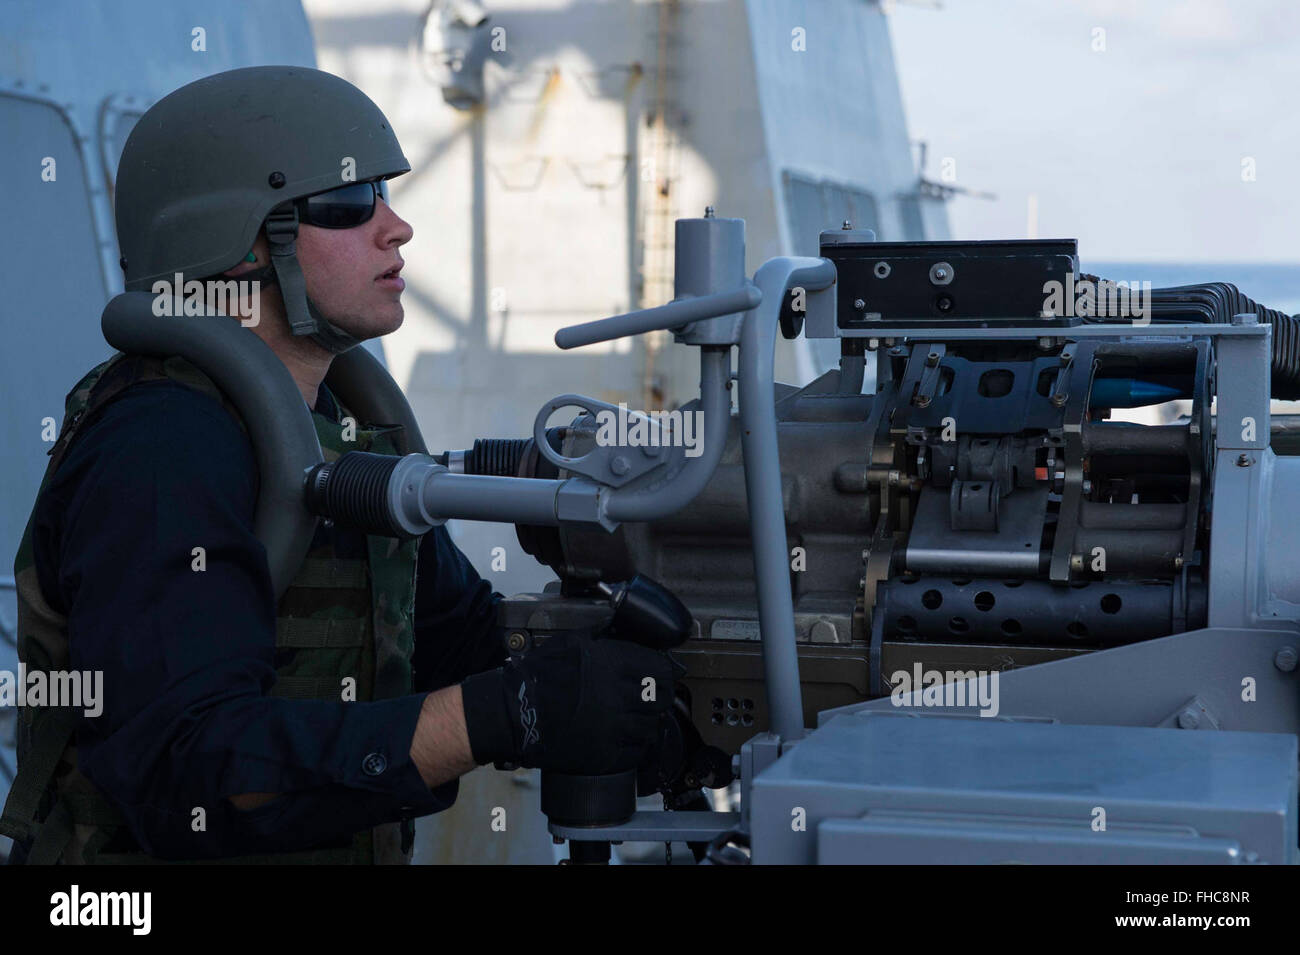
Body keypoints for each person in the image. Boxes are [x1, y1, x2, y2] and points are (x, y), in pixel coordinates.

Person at [0, 66, 672, 864]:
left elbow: (454, 643)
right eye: (353, 204)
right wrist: (501, 714)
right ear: (246, 241)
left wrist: (611, 673)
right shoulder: (162, 447)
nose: (396, 229)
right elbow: (195, 774)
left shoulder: (338, 429)